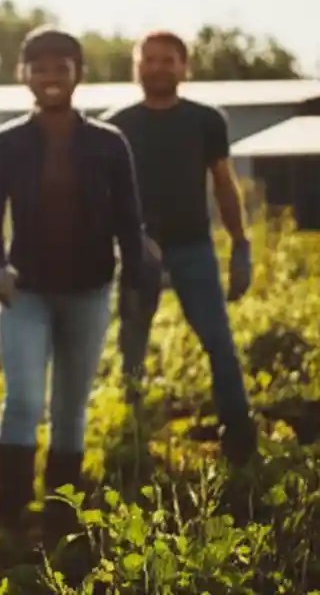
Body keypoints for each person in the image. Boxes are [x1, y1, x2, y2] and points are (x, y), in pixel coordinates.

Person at [0, 27, 150, 550]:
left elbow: (128, 217)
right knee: (25, 400)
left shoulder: (108, 143)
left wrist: (137, 280)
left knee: (72, 406)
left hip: (90, 290)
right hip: (25, 292)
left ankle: (60, 521)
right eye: (40, 68)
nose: (51, 77)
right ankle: (9, 521)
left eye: (62, 67)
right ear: (24, 74)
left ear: (79, 74)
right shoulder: (7, 142)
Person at [102, 30, 258, 465]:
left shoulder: (206, 121)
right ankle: (131, 438)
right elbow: (104, 197)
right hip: (138, 251)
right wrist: (131, 239)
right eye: (149, 59)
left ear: (183, 67)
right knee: (132, 344)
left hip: (194, 249)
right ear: (137, 67)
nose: (158, 67)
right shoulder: (116, 125)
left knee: (219, 342)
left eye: (167, 60)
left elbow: (224, 185)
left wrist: (241, 244)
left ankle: (241, 442)